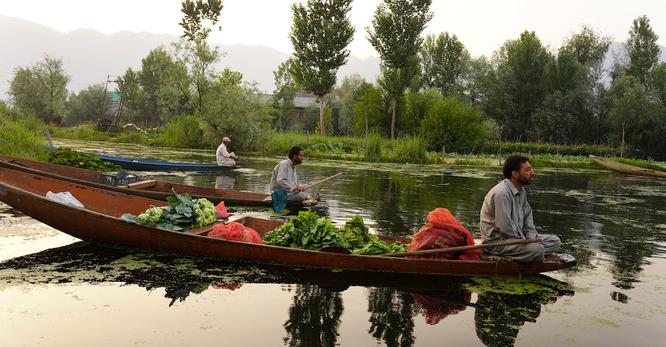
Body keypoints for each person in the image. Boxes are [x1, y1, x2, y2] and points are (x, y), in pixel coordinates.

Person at [479, 155, 561, 262]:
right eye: (527, 170)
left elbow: (528, 218)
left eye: (531, 169)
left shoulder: (521, 191)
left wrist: (531, 238)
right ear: (515, 174)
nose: (533, 173)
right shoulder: (502, 193)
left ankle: (524, 254)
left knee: (554, 241)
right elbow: (505, 227)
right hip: (499, 243)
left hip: (518, 240)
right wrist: (526, 242)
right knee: (537, 250)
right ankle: (503, 255)